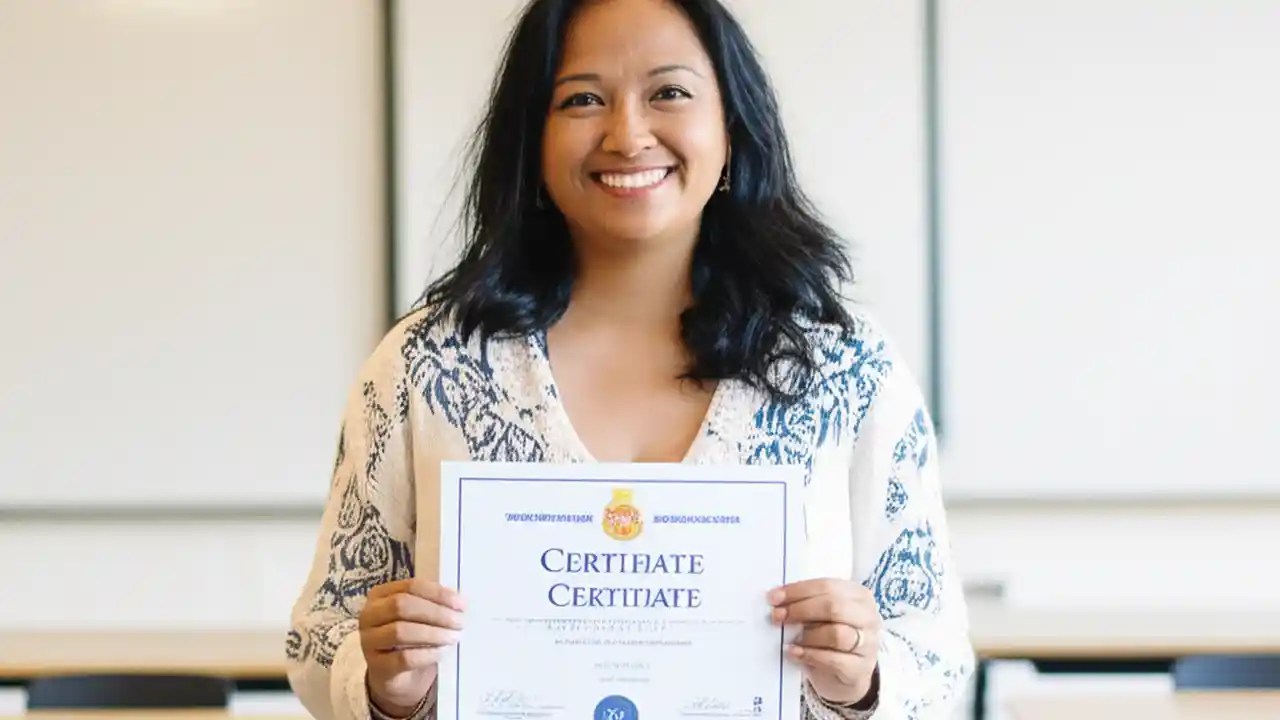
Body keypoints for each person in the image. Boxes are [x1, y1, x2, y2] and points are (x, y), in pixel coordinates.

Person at [285, 0, 973, 717]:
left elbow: (936, 649)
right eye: (581, 99)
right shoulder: (427, 367)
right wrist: (382, 681)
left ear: (732, 126)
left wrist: (864, 678)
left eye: (668, 93)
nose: (628, 133)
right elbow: (320, 641)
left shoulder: (844, 367)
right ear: (532, 138)